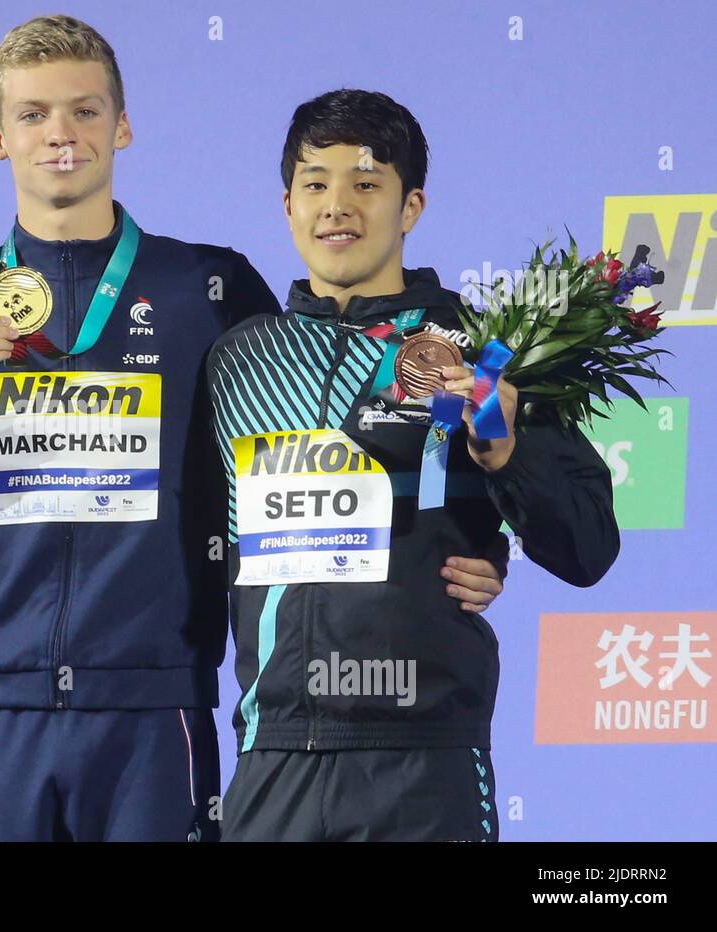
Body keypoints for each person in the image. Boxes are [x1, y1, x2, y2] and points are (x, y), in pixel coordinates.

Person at [0, 17, 507, 842]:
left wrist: (479, 542)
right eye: (33, 115)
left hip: (161, 703)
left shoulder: (212, 286)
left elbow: (333, 439)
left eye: (85, 111)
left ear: (121, 125)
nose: (61, 134)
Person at [207, 89, 620, 842]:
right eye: (315, 183)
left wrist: (503, 451)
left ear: (411, 206)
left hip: (425, 759)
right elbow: (199, 547)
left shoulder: (485, 349)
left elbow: (588, 545)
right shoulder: (240, 360)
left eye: (366, 184)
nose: (338, 205)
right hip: (272, 762)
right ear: (288, 204)